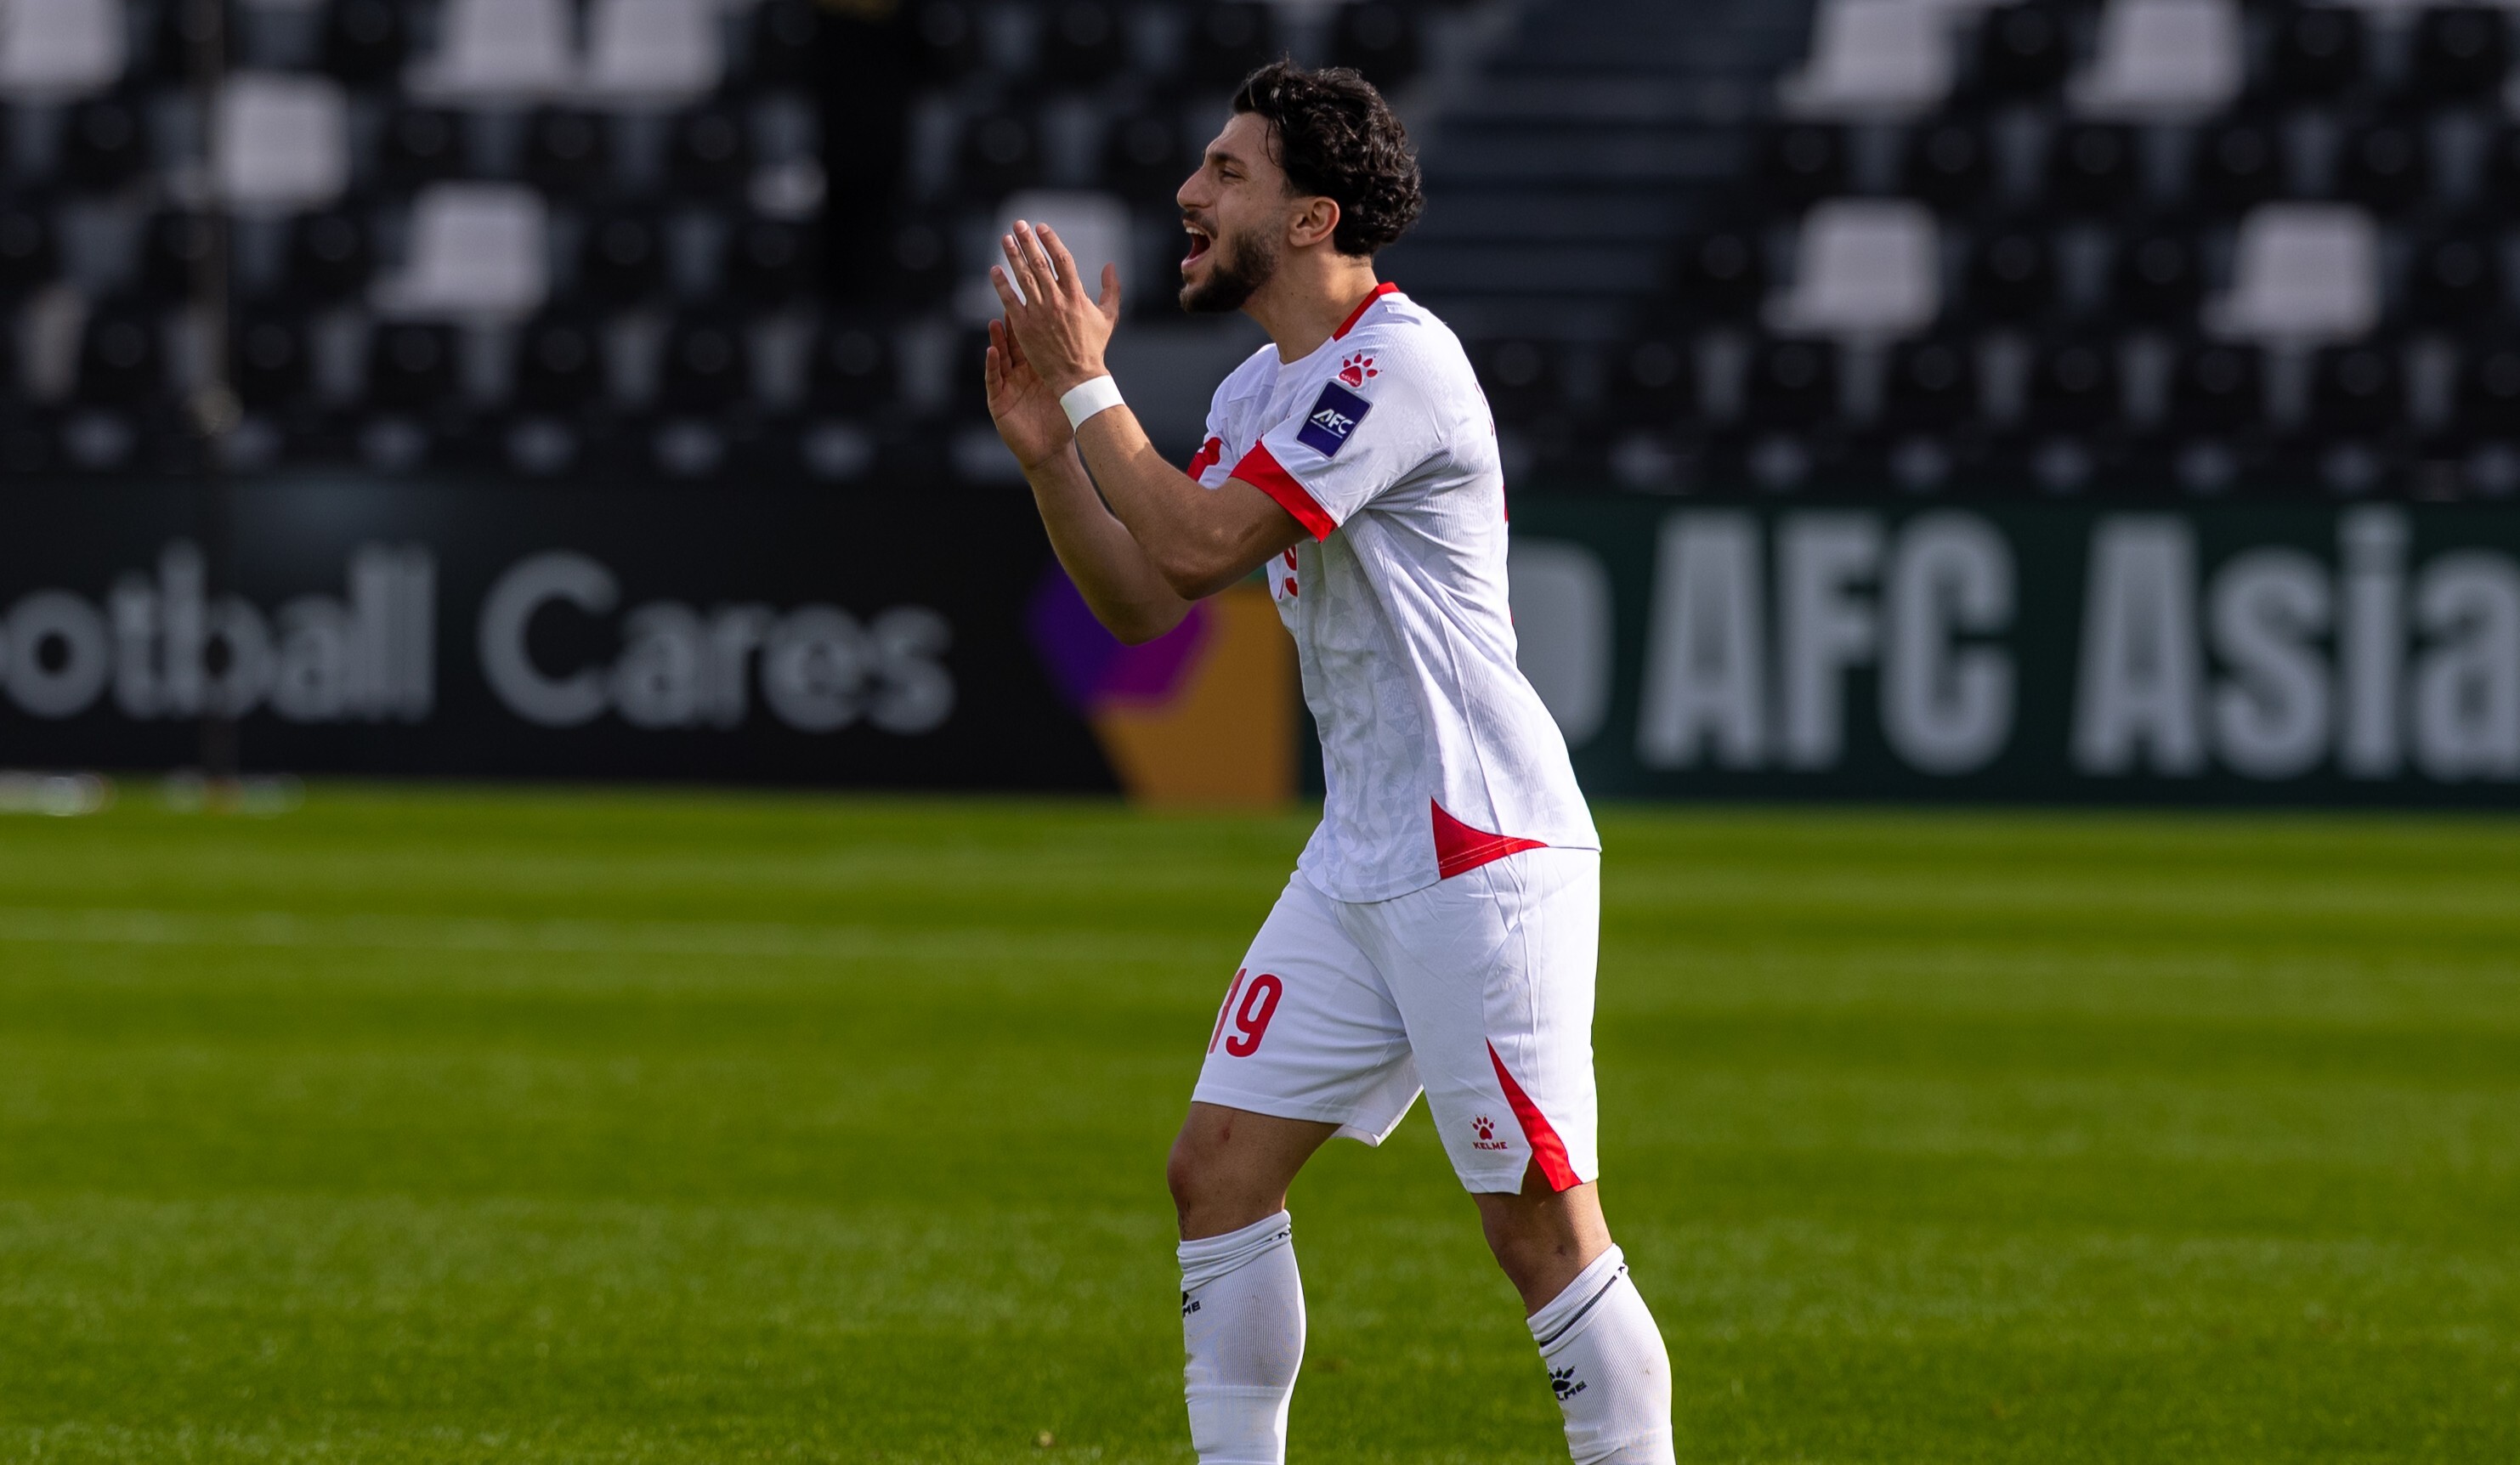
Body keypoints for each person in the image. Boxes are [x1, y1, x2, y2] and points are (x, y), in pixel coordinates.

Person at [983, 60, 1675, 1465]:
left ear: (1312, 217)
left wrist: (1088, 384)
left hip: (1480, 851)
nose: (1191, 191)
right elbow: (1139, 604)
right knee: (1216, 1175)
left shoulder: (1398, 364)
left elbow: (1191, 544)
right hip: (1361, 852)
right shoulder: (1258, 386)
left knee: (1537, 1227)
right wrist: (1055, 454)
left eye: (1227, 172)